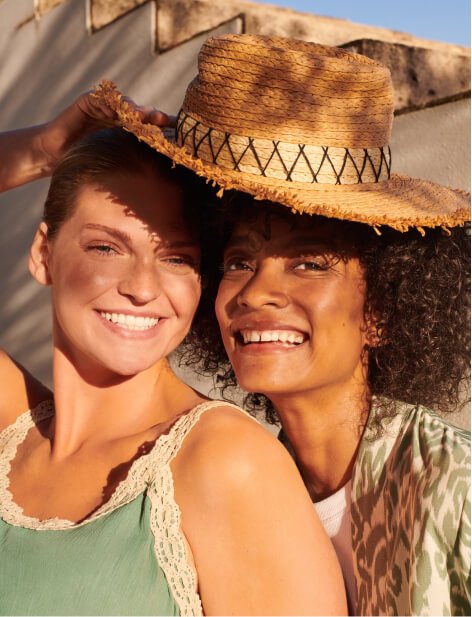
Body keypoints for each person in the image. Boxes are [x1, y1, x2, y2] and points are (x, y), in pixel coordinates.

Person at [93, 34, 471, 616]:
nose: (257, 292)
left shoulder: (458, 489)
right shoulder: (240, 483)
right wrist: (50, 153)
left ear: (382, 311)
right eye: (239, 261)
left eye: (310, 263)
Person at [0, 119, 347, 612]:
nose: (143, 288)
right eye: (106, 247)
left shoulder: (226, 460)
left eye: (177, 258)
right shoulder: (13, 425)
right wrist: (42, 148)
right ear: (43, 254)